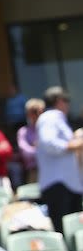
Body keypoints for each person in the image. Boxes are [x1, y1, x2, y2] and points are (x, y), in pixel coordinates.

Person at [35, 86, 83, 232]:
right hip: (58, 185)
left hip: (67, 184)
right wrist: (75, 144)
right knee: (64, 231)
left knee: (74, 231)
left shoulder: (55, 118)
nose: (68, 104)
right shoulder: (50, 117)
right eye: (66, 100)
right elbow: (49, 143)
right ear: (58, 101)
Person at [16, 97, 45, 185]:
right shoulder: (23, 132)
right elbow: (26, 154)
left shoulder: (49, 130)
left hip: (53, 169)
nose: (35, 115)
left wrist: (37, 146)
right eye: (32, 112)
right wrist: (43, 148)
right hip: (34, 172)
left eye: (37, 111)